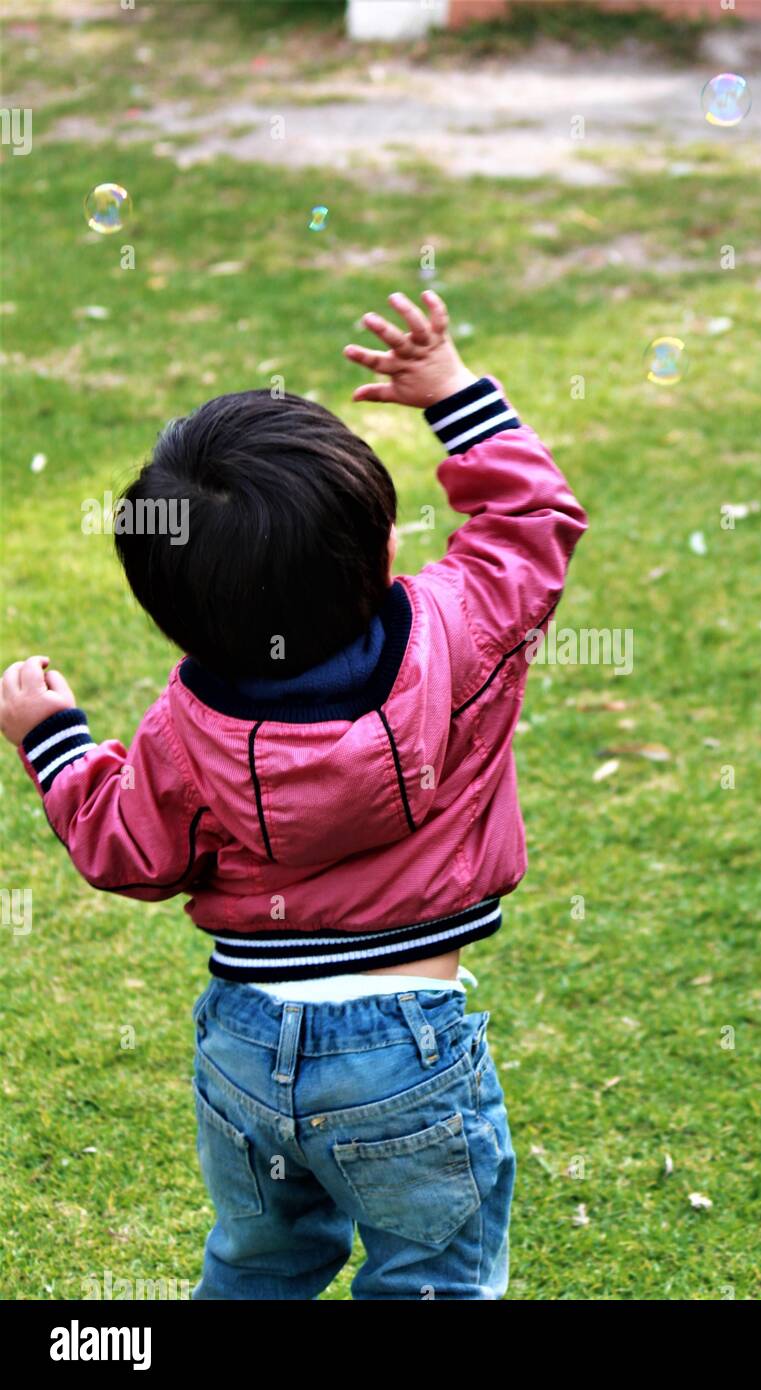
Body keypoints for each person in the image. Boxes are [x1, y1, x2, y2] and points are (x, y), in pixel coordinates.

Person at [1, 290, 588, 1299]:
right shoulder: (464, 625)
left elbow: (126, 852)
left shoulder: (184, 729)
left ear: (172, 615)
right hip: (410, 1049)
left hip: (243, 1041)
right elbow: (529, 519)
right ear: (387, 548)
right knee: (432, 1281)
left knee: (257, 1267)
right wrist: (450, 391)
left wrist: (55, 744)